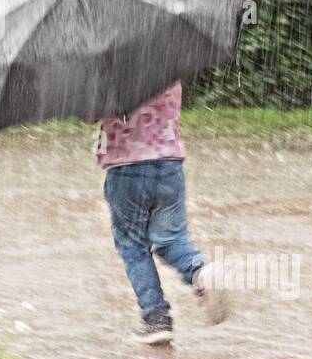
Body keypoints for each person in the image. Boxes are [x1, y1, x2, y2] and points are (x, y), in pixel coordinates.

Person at [95, 82, 228, 344]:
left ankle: (156, 317)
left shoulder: (109, 73)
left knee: (132, 245)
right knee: (171, 240)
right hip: (169, 164)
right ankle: (200, 271)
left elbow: (91, 114)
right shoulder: (167, 65)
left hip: (127, 168)